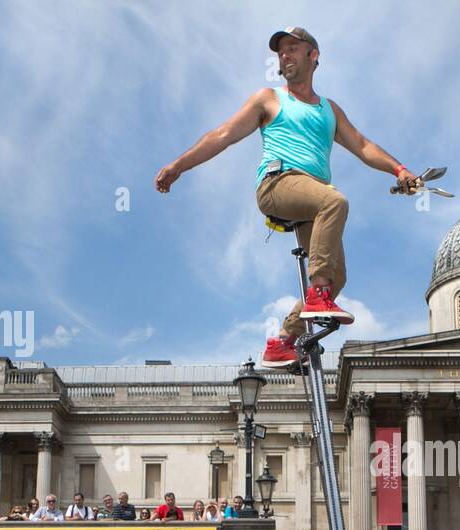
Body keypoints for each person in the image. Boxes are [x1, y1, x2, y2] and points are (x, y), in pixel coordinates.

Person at [158, 26, 417, 367]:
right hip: (277, 184)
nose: (285, 55)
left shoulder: (329, 110)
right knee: (334, 201)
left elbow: (364, 145)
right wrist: (179, 166)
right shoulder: (269, 99)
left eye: (293, 48)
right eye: (281, 51)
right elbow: (223, 134)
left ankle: (283, 340)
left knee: (337, 276)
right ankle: (318, 295)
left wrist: (399, 170)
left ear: (314, 55)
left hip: (311, 200)